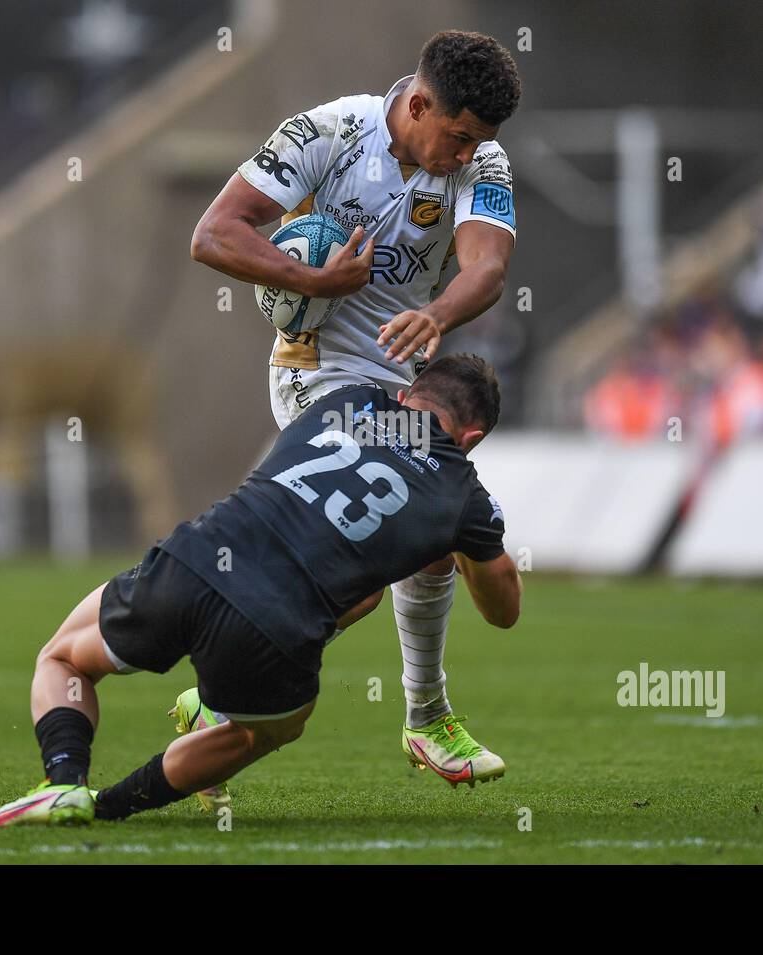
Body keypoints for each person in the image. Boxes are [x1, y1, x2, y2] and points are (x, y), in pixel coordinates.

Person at [0, 355, 522, 828]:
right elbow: (503, 612)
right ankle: (110, 808)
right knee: (265, 729)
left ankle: (65, 779)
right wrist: (465, 543)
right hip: (276, 630)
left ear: (405, 395)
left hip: (197, 562)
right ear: (471, 440)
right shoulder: (464, 498)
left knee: (64, 657)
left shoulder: (353, 398)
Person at [188, 30, 521, 790]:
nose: (467, 154)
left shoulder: (483, 161)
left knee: (419, 548)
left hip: (404, 376)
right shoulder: (329, 133)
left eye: (480, 143)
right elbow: (213, 234)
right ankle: (415, 716)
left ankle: (411, 716)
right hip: (316, 367)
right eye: (459, 136)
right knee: (396, 540)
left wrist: (436, 313)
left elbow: (489, 266)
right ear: (419, 102)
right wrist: (308, 280)